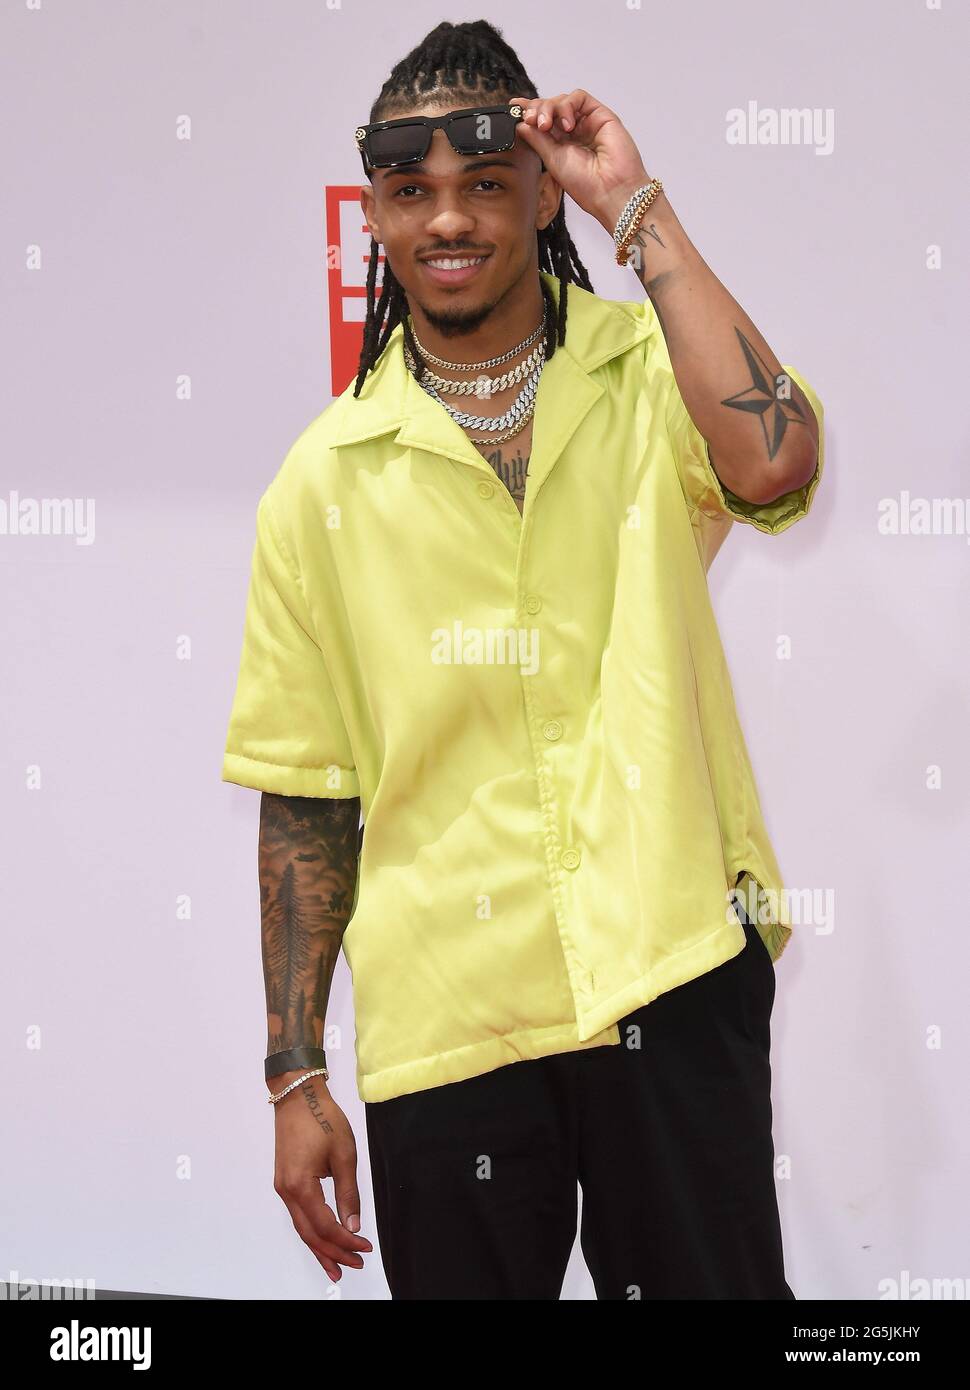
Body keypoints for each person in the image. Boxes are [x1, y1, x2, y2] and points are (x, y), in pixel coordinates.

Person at [221, 19, 824, 1300]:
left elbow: (776, 461)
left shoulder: (645, 373)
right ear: (374, 217)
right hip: (451, 1015)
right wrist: (294, 1071)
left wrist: (635, 204)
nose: (449, 220)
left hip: (669, 962)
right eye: (412, 192)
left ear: (541, 194)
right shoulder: (317, 483)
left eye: (487, 184)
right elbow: (308, 792)